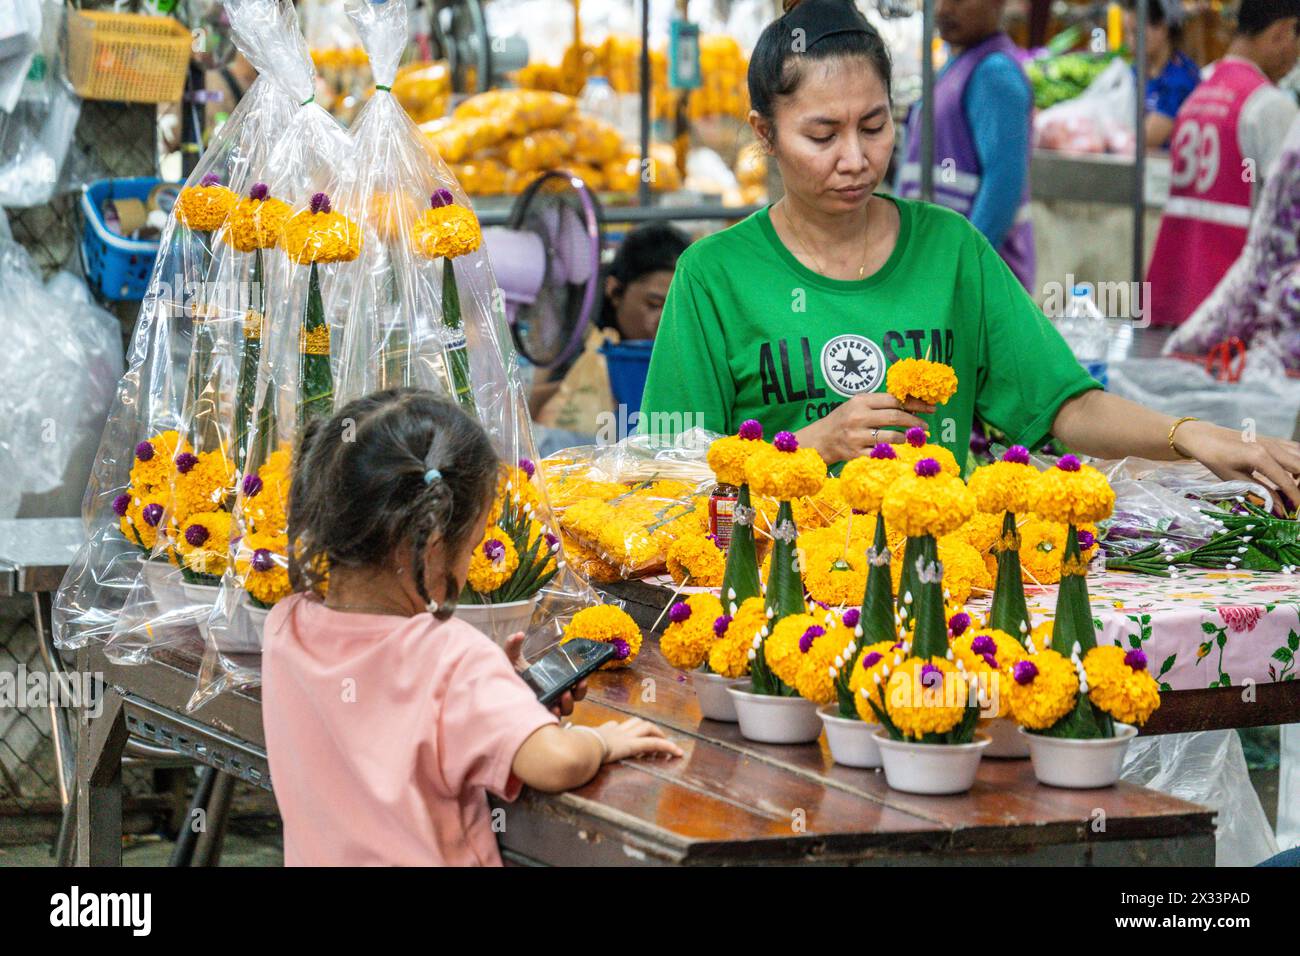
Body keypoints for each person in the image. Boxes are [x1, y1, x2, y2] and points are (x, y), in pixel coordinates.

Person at [640, 0, 1300, 511]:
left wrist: (1192, 436)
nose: (856, 158)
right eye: (822, 134)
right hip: (779, 600)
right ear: (765, 133)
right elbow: (665, 472)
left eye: (874, 126)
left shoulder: (950, 249)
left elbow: (1062, 406)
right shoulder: (714, 276)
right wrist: (810, 446)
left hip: (946, 592)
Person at [262, 389, 681, 866]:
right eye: (475, 542)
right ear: (435, 541)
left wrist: (497, 697)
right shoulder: (451, 657)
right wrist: (601, 741)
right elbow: (555, 761)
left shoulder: (284, 626)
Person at [1146, 0, 1300, 328]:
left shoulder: (1198, 94)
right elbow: (1289, 218)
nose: (1296, 59)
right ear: (1283, 32)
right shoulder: (1269, 106)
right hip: (1233, 309)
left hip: (1177, 295)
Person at [895, 0, 1035, 290]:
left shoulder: (994, 72)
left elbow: (1003, 184)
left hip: (977, 280)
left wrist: (963, 267)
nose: (944, 10)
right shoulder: (958, 64)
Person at [531, 223, 691, 440]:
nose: (664, 320)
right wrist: (584, 385)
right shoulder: (575, 330)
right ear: (615, 291)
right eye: (653, 304)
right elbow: (524, 405)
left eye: (676, 307)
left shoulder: (692, 339)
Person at [1123, 0, 1201, 150]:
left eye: (1136, 32)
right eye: (1127, 32)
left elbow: (1147, 140)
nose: (1130, 42)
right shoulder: (1136, 72)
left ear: (1162, 28)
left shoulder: (1181, 79)